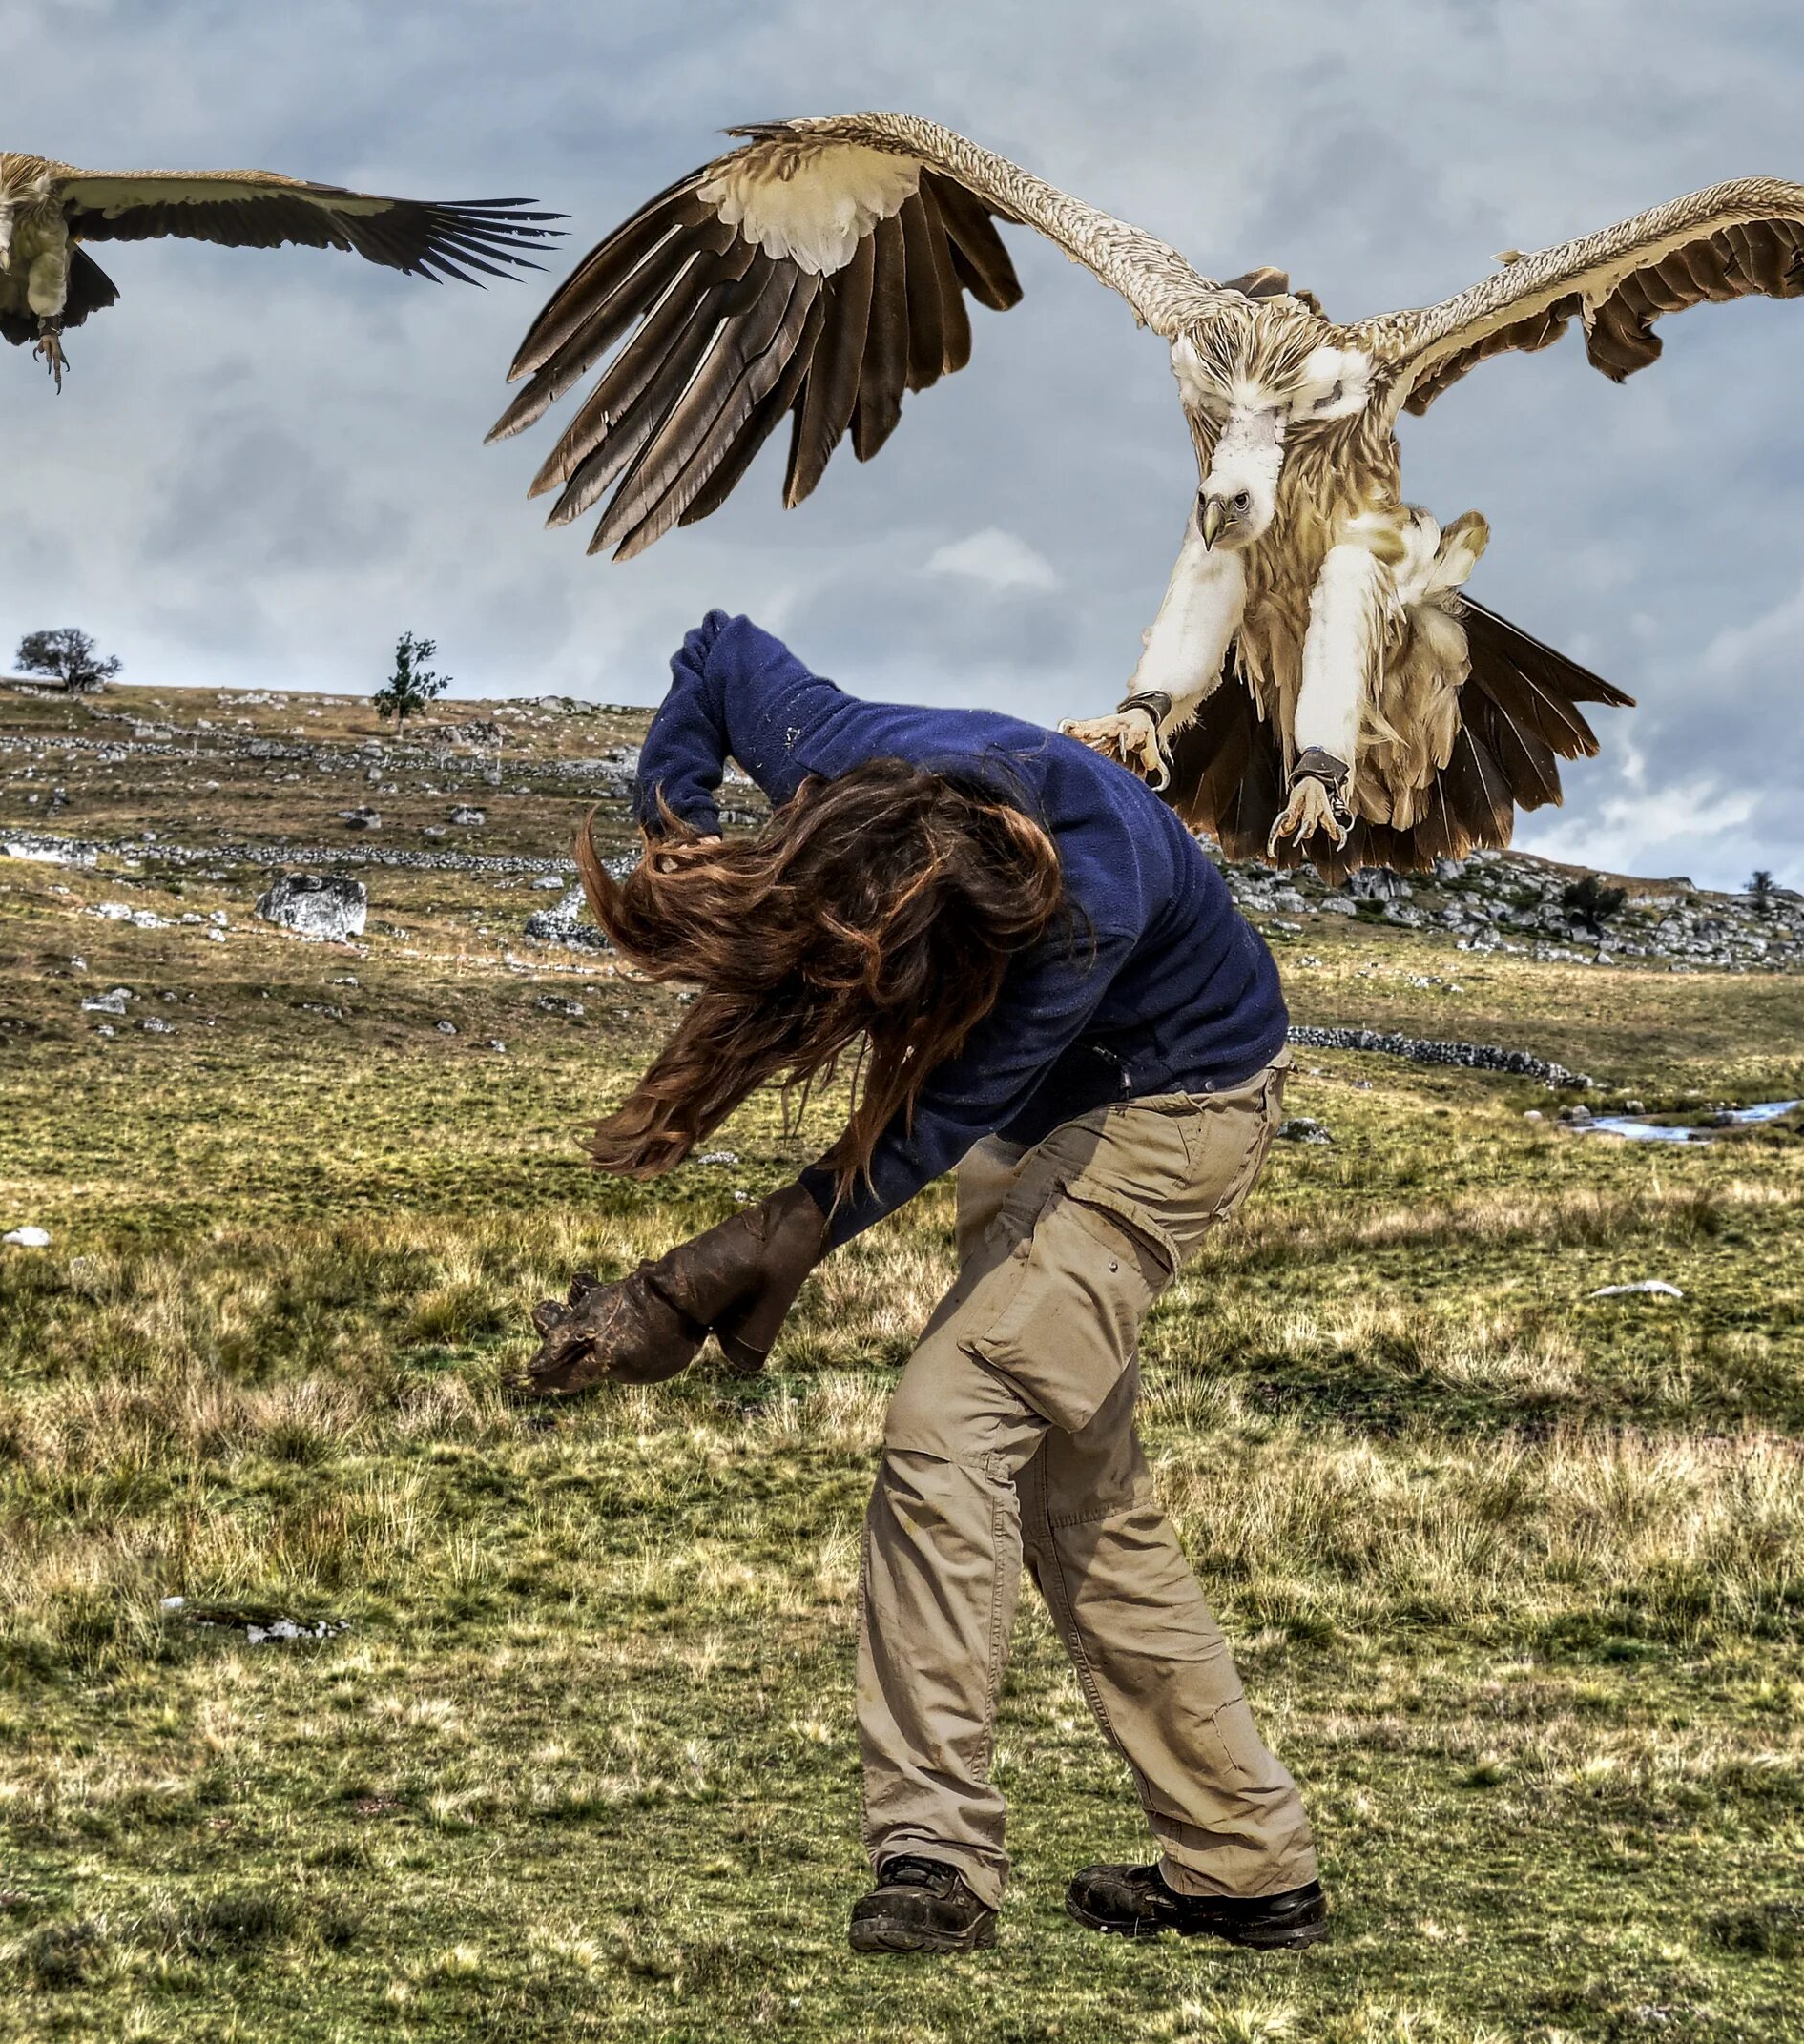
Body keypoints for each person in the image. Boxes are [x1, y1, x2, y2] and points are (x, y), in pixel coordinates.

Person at [525, 612, 1323, 1955]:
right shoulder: (844, 761)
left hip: (1168, 1112)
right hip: (1046, 1125)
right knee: (1085, 1506)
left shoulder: (1092, 899)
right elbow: (718, 650)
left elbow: (928, 1123)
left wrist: (700, 1276)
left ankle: (934, 1856)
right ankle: (1244, 1868)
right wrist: (686, 842)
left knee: (950, 1423)